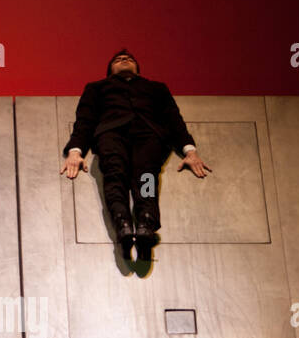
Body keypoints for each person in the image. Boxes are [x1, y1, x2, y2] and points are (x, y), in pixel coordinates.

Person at [61, 49, 210, 260]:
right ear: (110, 70)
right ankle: (122, 221)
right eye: (118, 59)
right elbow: (85, 120)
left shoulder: (156, 88)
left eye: (129, 59)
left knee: (147, 175)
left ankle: (145, 222)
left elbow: (173, 119)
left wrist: (190, 150)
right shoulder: (96, 88)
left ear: (138, 68)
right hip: (111, 133)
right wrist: (75, 151)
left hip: (148, 134)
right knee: (115, 174)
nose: (124, 60)